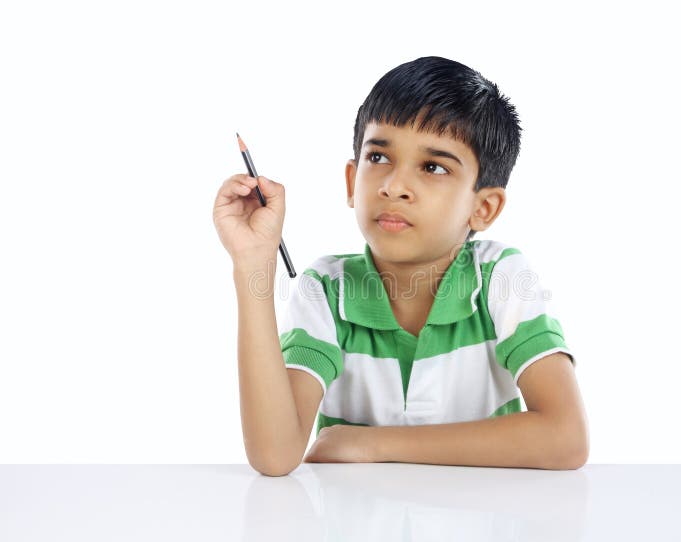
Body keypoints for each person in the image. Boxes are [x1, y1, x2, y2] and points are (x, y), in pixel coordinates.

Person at [213, 56, 589, 476]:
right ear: (351, 182)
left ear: (483, 207)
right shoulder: (327, 288)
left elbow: (566, 437)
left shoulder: (502, 277)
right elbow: (275, 455)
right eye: (378, 158)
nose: (394, 186)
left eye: (432, 167)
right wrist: (253, 265)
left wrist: (372, 444)